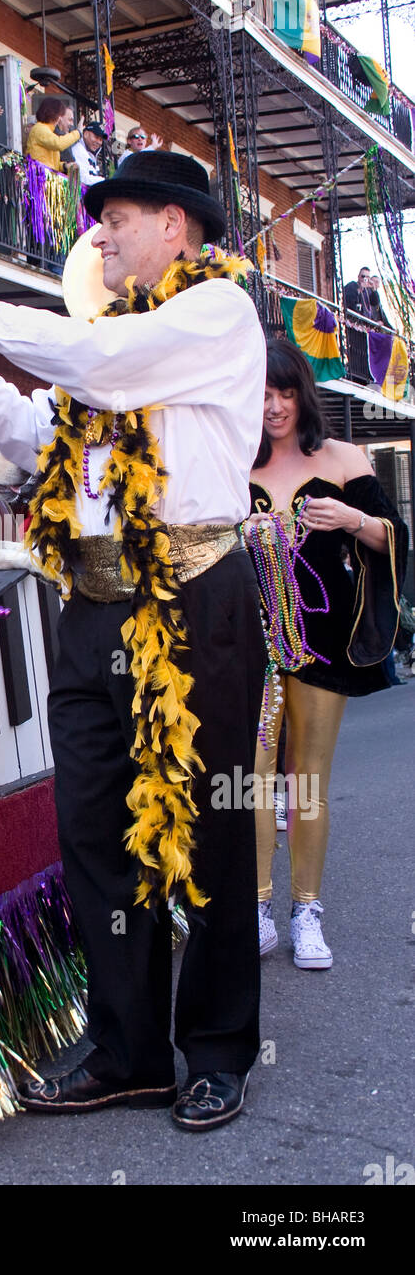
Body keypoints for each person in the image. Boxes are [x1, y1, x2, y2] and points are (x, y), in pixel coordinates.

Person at [0, 151, 268, 1131]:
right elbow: (37, 442)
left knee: (202, 834)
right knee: (96, 838)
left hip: (191, 598)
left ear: (176, 229)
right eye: (96, 216)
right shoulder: (112, 346)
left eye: (117, 216)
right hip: (93, 607)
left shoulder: (210, 316)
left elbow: (104, 367)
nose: (98, 231)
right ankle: (127, 1052)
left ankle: (217, 1052)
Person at [247, 338, 406, 969]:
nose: (275, 406)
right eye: (262, 393)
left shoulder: (342, 458)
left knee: (306, 781)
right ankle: (255, 907)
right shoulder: (231, 462)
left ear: (302, 395)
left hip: (325, 643)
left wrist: (349, 518)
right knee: (248, 780)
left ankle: (306, 912)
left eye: (285, 392)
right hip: (252, 646)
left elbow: (394, 536)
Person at [25, 96, 80, 172]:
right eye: (59, 115)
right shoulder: (39, 128)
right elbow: (58, 144)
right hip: (39, 176)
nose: (59, 119)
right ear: (52, 114)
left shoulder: (48, 130)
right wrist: (78, 133)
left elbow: (53, 164)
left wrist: (64, 166)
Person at [67, 122, 107, 186]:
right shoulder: (78, 149)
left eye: (101, 140)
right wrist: (104, 181)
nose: (98, 142)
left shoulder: (90, 154)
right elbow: (82, 179)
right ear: (85, 134)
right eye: (96, 137)